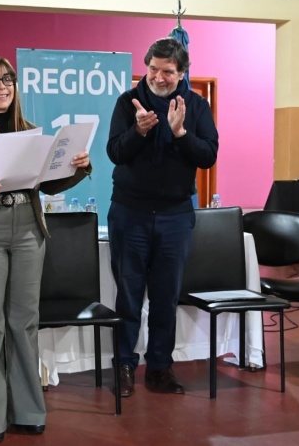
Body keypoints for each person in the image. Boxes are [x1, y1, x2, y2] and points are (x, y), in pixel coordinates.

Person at [0, 56, 91, 443]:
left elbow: (47, 185)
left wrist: (78, 168)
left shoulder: (29, 131)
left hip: (28, 228)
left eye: (8, 80)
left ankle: (27, 409)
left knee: (23, 321)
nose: (2, 87)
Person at [106, 37, 218, 398]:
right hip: (130, 213)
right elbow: (115, 153)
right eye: (153, 68)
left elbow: (208, 155)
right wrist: (139, 131)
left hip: (174, 216)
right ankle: (124, 364)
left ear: (181, 73)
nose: (158, 76)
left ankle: (159, 367)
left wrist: (181, 133)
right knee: (128, 295)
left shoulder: (197, 106)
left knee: (166, 297)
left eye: (167, 71)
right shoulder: (128, 103)